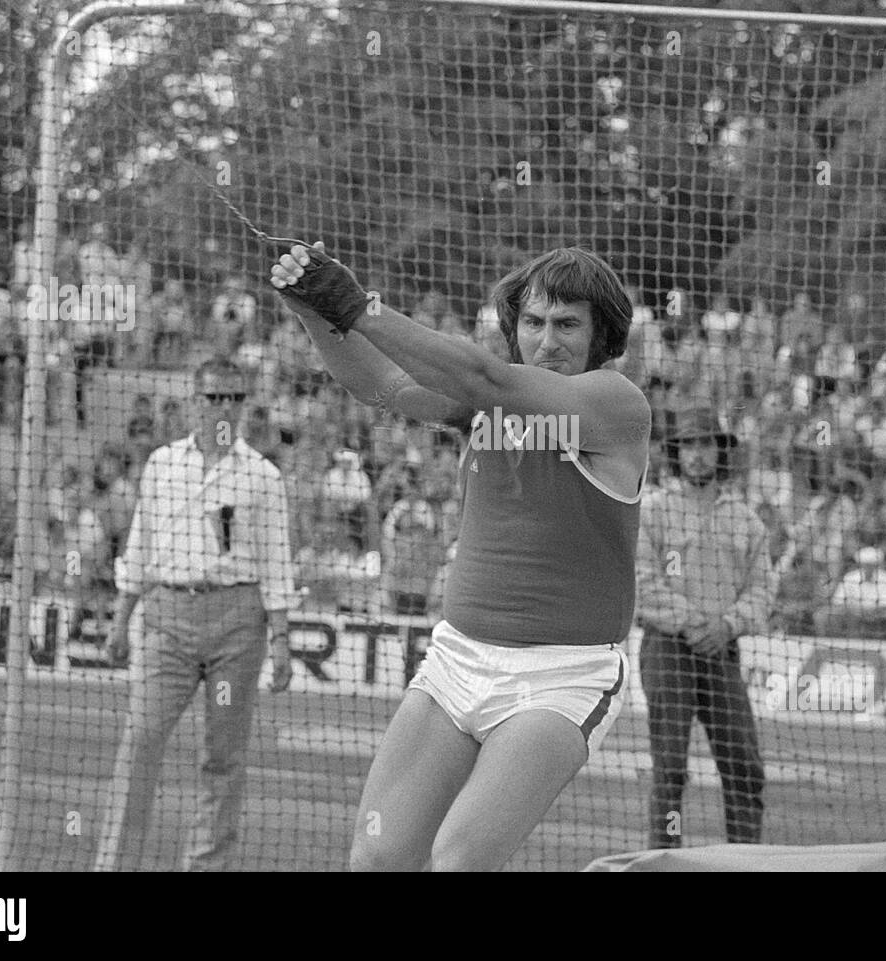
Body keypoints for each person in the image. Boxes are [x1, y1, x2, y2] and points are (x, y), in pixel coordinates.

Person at [271, 242, 650, 872]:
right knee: (377, 854)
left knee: (458, 860)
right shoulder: (487, 406)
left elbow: (485, 376)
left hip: (561, 676)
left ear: (600, 335)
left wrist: (354, 305)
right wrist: (313, 310)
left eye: (567, 324)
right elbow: (383, 385)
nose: (547, 340)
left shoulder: (614, 403)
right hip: (456, 661)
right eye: (533, 322)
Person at [95, 357, 295, 872]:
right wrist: (120, 622)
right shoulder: (162, 465)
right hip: (167, 619)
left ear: (244, 405)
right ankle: (116, 864)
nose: (223, 407)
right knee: (141, 738)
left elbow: (276, 562)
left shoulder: (264, 476)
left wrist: (281, 645)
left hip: (237, 624)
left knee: (223, 757)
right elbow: (139, 547)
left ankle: (206, 866)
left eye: (233, 398)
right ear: (194, 402)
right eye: (213, 397)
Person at [635, 407, 770, 847]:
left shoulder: (746, 520)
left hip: (722, 651)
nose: (696, 454)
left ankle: (745, 860)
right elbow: (642, 583)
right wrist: (696, 622)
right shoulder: (653, 510)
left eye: (705, 443)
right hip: (668, 648)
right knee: (670, 768)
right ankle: (663, 859)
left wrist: (726, 625)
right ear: (676, 453)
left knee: (745, 767)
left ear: (720, 451)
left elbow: (762, 592)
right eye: (688, 444)